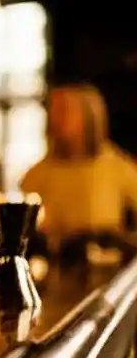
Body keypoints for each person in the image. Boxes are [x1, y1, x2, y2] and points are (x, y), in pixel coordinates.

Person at [21, 85, 137, 243]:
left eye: (64, 110)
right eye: (53, 111)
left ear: (89, 115)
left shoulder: (116, 167)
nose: (55, 119)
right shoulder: (40, 172)